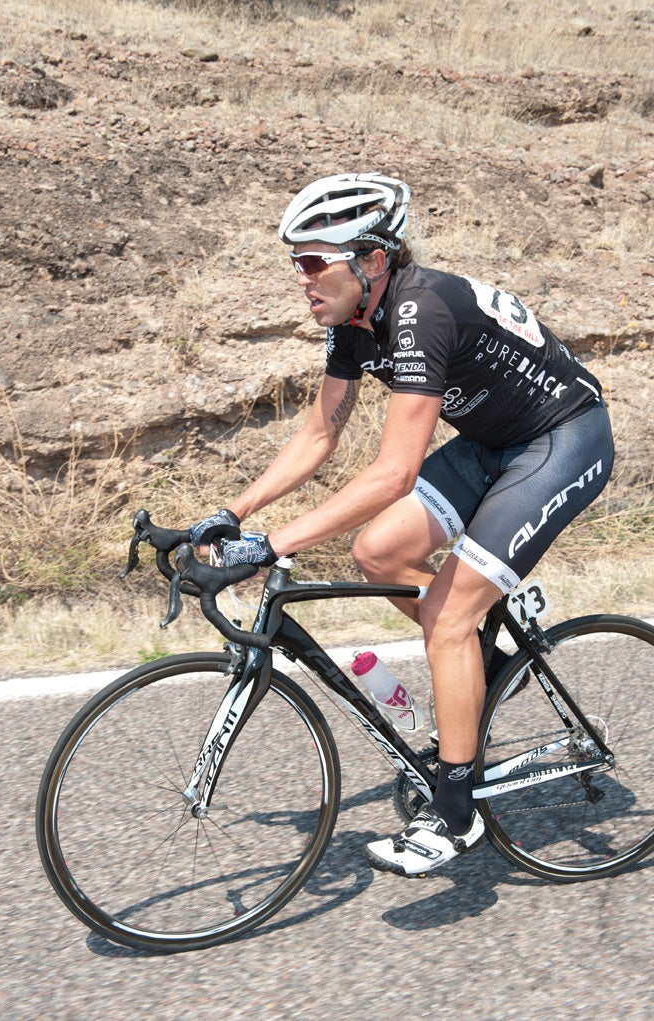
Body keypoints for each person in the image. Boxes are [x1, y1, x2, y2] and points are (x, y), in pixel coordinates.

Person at [188, 173, 614, 877]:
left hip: (563, 438)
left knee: (445, 615)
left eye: (311, 261)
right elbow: (320, 432)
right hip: (491, 443)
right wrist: (236, 511)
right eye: (295, 262)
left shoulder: (420, 309)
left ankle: (456, 812)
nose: (301, 279)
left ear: (373, 260)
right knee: (379, 551)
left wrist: (272, 544)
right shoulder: (356, 321)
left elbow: (393, 471)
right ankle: (481, 661)